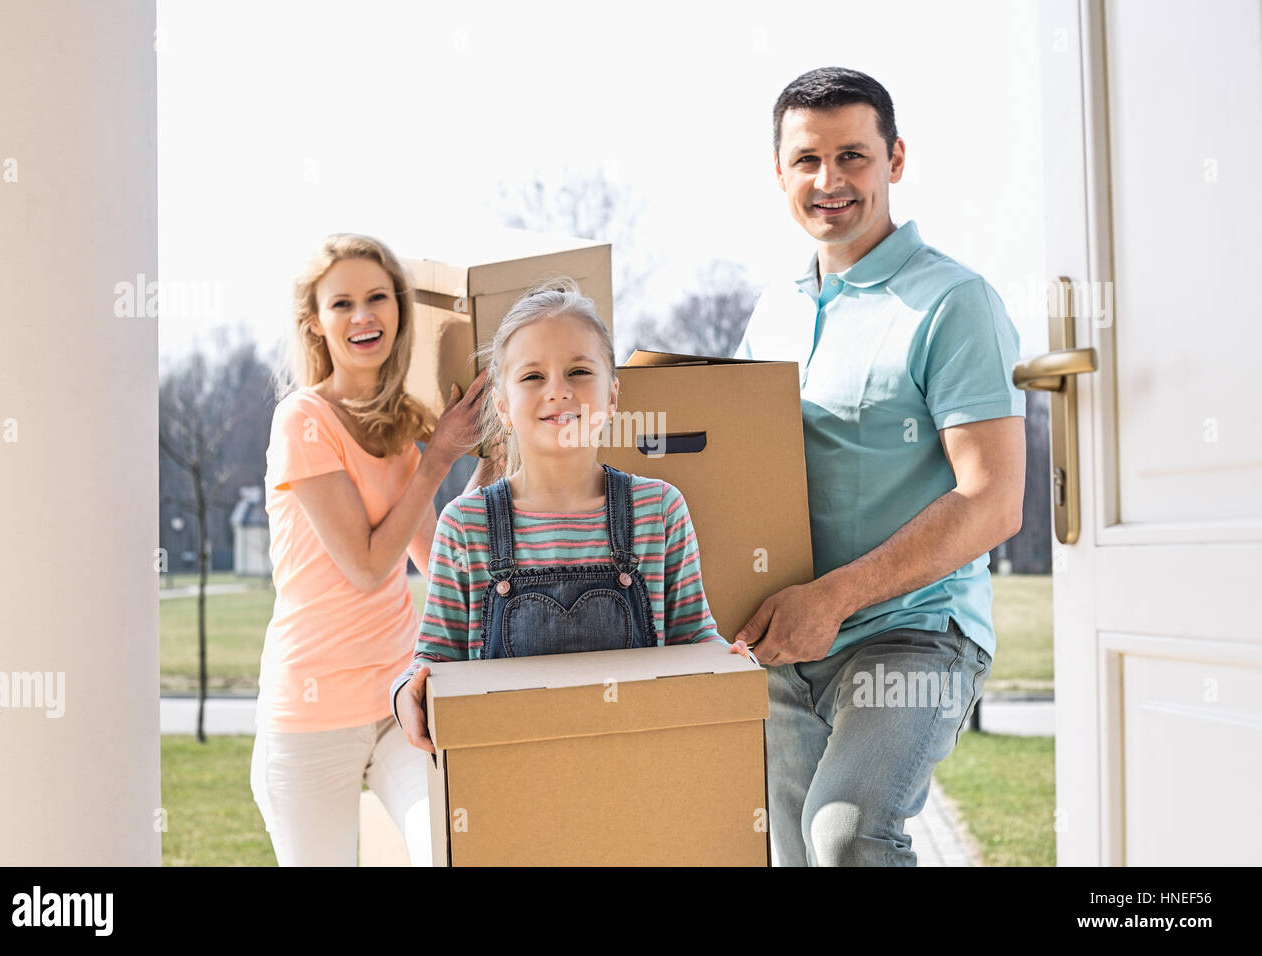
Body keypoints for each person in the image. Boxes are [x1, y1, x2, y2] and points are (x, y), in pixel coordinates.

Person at [732, 67, 1027, 866]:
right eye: (807, 160)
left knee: (845, 832)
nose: (829, 182)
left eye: (853, 156)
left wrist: (833, 599)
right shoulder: (772, 314)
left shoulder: (954, 303)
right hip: (782, 636)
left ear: (895, 160)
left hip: (913, 632)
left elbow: (994, 500)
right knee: (789, 850)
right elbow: (731, 470)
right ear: (779, 172)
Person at [390, 278, 750, 750]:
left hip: (642, 773)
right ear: (502, 404)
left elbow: (692, 637)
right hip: (513, 775)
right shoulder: (465, 525)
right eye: (532, 376)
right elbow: (435, 658)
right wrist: (406, 696)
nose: (557, 391)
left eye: (579, 371)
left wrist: (725, 660)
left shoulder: (659, 510)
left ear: (613, 395)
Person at [250, 233, 501, 866]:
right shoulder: (302, 419)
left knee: (452, 850)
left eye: (377, 298)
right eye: (342, 304)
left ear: (398, 310)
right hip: (309, 718)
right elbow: (365, 566)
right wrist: (439, 453)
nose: (363, 316)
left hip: (398, 704)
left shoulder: (401, 427)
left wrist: (494, 462)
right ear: (316, 323)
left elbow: (439, 560)